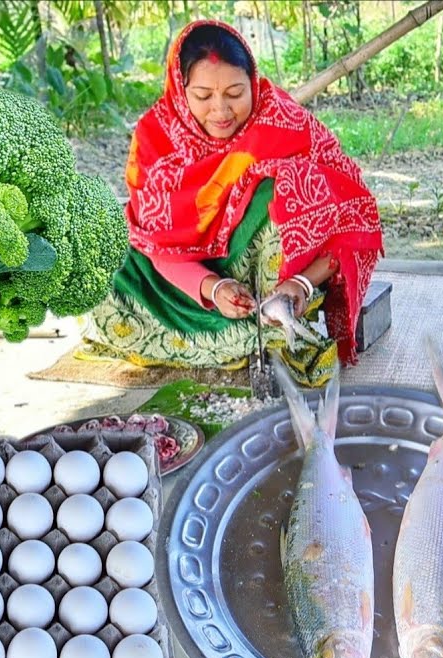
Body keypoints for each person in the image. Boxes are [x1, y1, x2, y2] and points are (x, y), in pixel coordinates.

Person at [83, 19, 383, 387]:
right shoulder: (155, 140)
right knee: (108, 257)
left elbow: (353, 220)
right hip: (180, 281)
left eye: (235, 93)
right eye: (204, 96)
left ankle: (275, 320)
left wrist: (302, 285)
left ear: (253, 83)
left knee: (289, 185)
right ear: (181, 90)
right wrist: (213, 287)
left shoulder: (284, 124)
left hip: (270, 285)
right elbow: (157, 244)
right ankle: (240, 335)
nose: (221, 111)